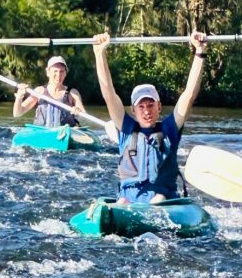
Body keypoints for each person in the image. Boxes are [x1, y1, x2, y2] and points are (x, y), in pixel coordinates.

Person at [92, 30, 208, 203]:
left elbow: (189, 95)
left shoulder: (169, 129)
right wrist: (99, 53)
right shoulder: (126, 128)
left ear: (159, 106)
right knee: (122, 202)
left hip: (162, 197)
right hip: (128, 198)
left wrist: (200, 51)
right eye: (141, 106)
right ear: (133, 110)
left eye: (150, 105)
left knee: (157, 199)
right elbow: (108, 93)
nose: (146, 111)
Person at [13, 55, 87, 127]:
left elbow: (84, 116)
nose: (58, 74)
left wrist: (78, 112)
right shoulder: (39, 91)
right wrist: (19, 97)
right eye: (55, 71)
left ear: (65, 74)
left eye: (61, 71)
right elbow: (17, 114)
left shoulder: (72, 93)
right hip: (42, 132)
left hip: (64, 132)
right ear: (48, 73)